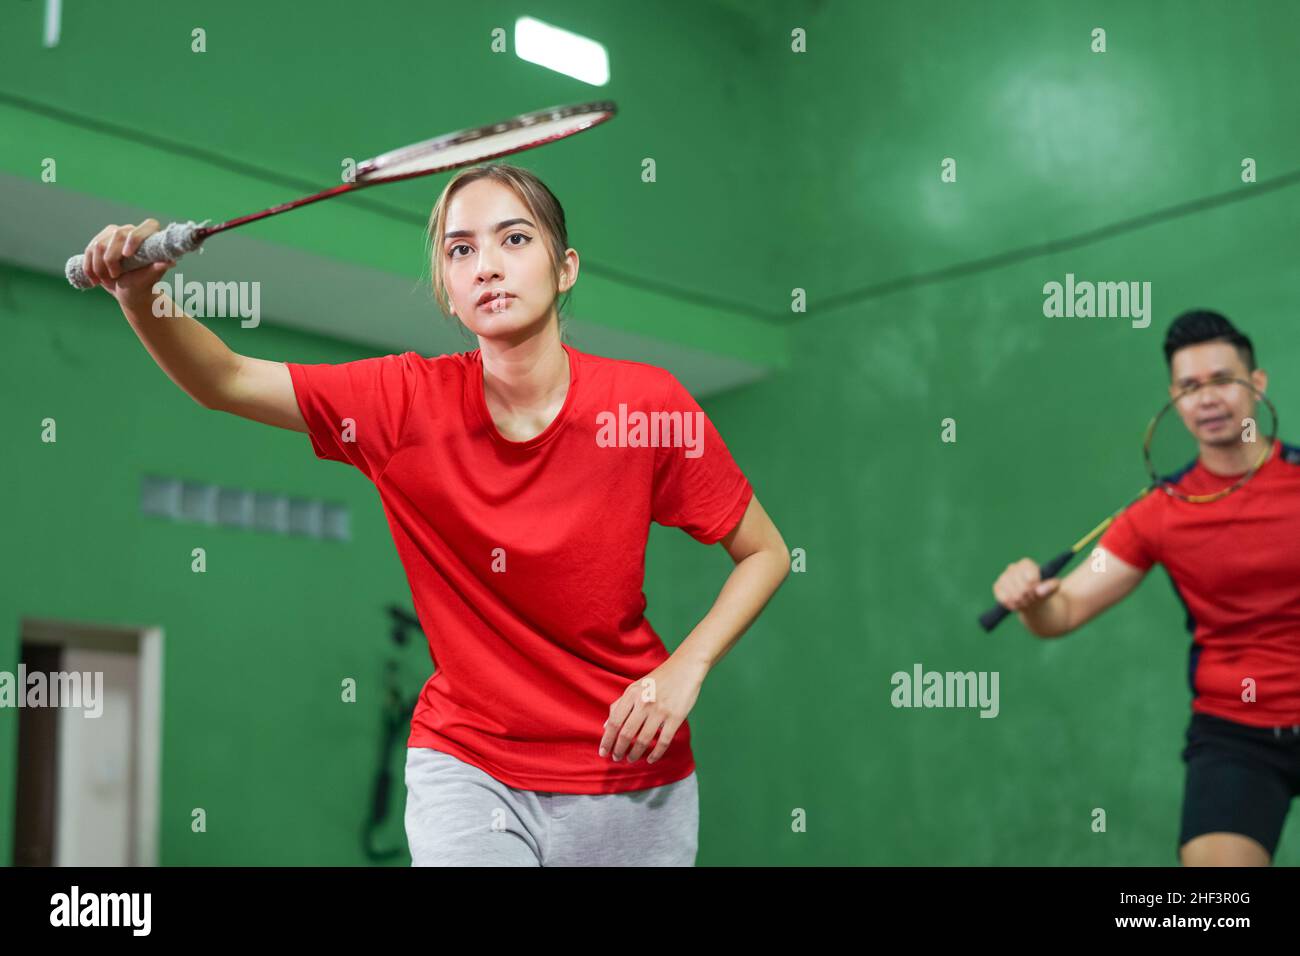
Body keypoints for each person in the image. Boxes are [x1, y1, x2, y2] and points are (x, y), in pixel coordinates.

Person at [80, 162, 790, 867]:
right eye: (461, 250)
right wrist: (142, 300)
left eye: (514, 240)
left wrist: (683, 670)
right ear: (448, 292)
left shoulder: (646, 407)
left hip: (628, 771)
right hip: (468, 762)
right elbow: (226, 379)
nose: (487, 266)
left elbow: (765, 552)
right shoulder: (400, 405)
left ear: (565, 267)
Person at [991, 310, 1300, 867]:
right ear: (1173, 400)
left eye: (1222, 380)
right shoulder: (1158, 514)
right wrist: (1031, 601)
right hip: (1236, 735)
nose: (1206, 398)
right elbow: (1063, 613)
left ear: (1257, 385)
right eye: (1189, 386)